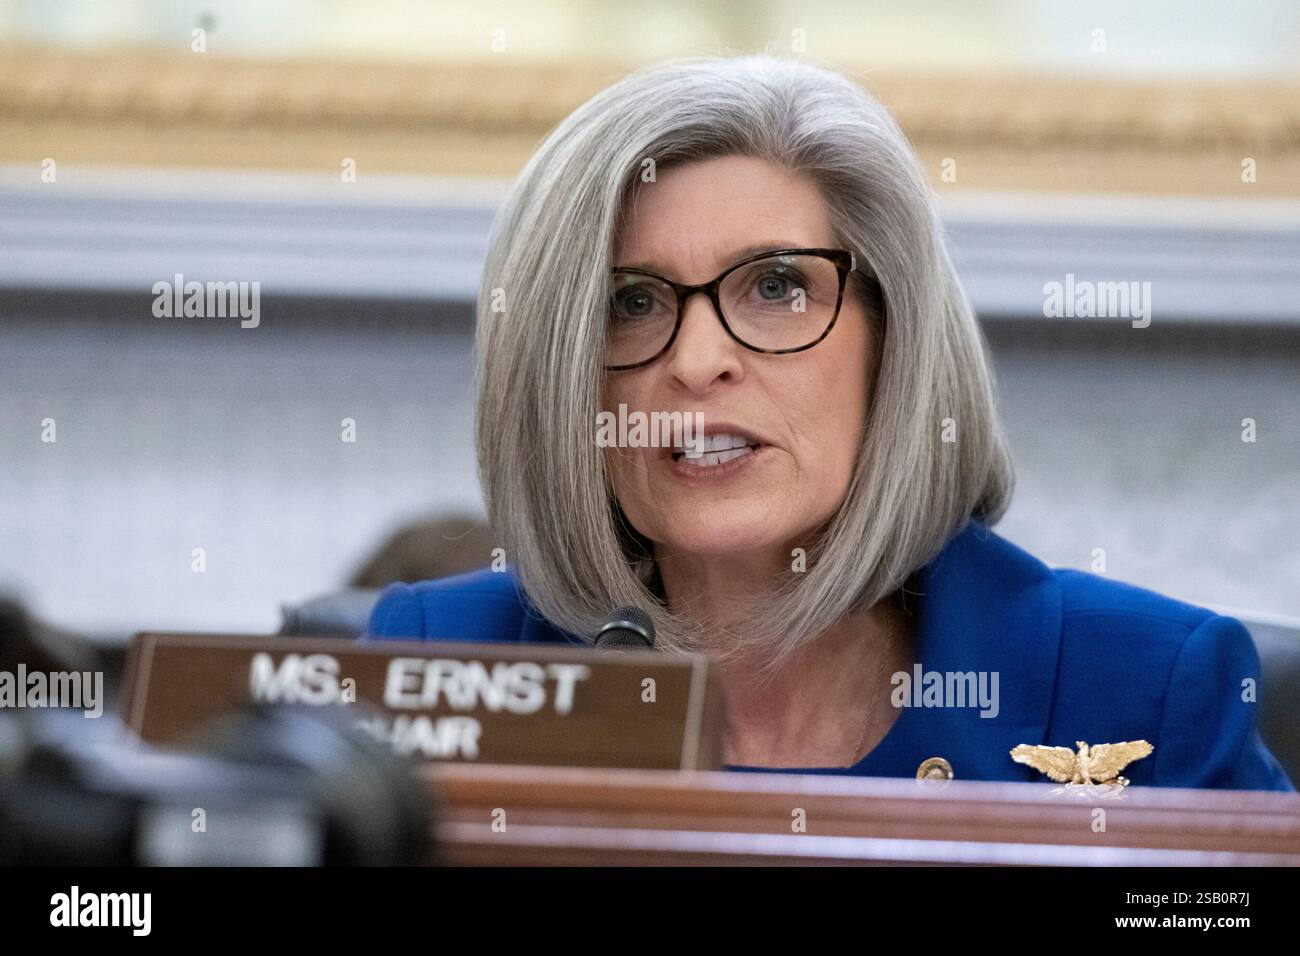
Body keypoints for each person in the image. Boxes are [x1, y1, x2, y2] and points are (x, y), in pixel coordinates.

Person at [365, 56, 1292, 790]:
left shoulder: (1144, 685)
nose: (696, 362)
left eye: (777, 287)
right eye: (631, 303)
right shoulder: (434, 661)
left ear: (896, 343)